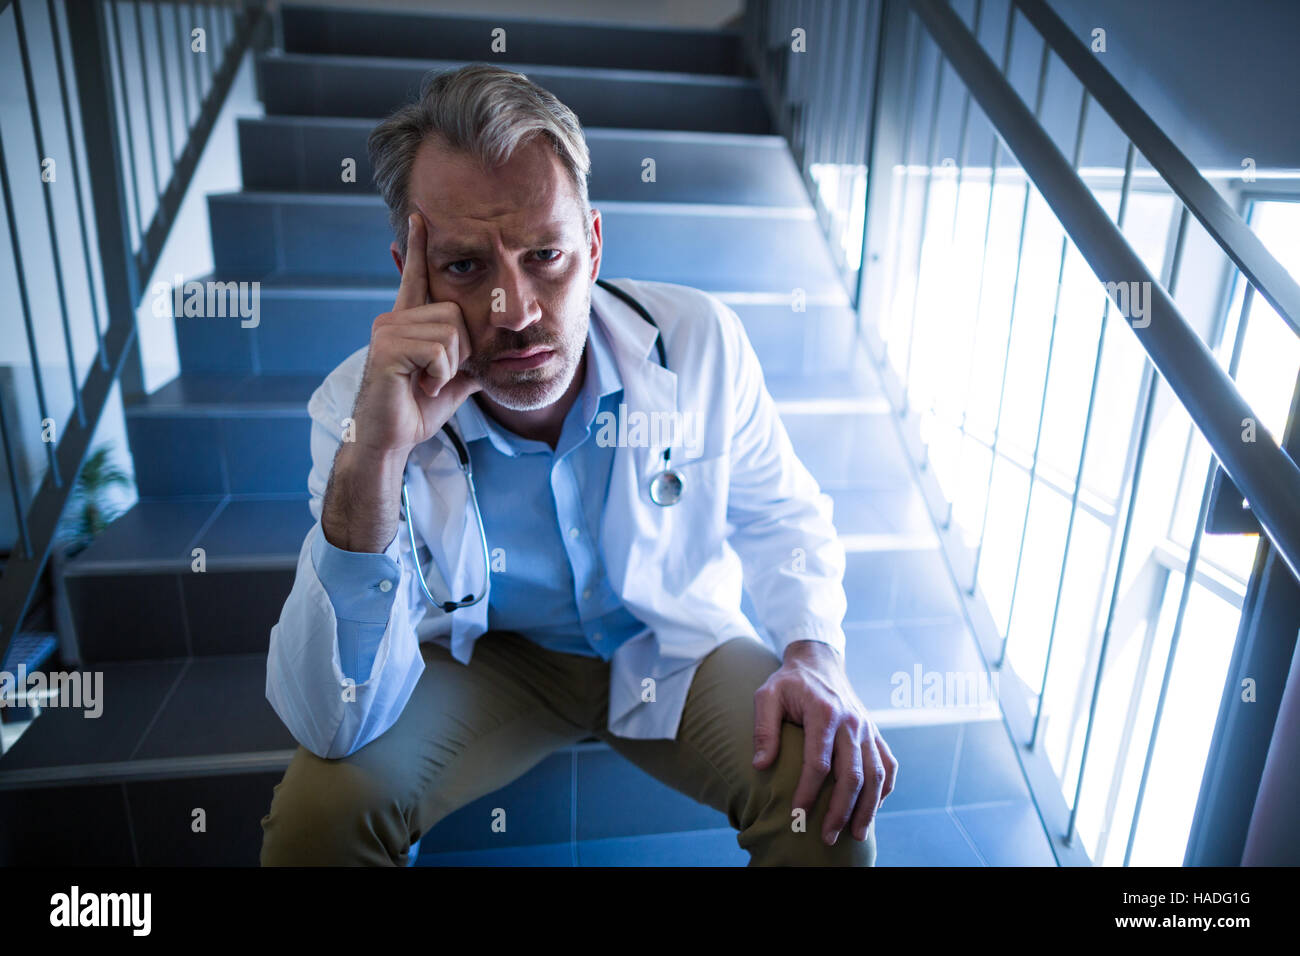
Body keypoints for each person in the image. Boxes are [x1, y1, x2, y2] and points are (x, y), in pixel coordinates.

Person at [259, 64, 896, 866]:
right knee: (322, 818)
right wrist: (380, 455)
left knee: (827, 790)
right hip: (487, 657)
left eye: (545, 254)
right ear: (410, 273)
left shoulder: (699, 341)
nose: (517, 310)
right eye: (464, 266)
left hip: (670, 647)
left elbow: (781, 517)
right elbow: (327, 718)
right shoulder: (355, 411)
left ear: (593, 245)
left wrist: (813, 653)